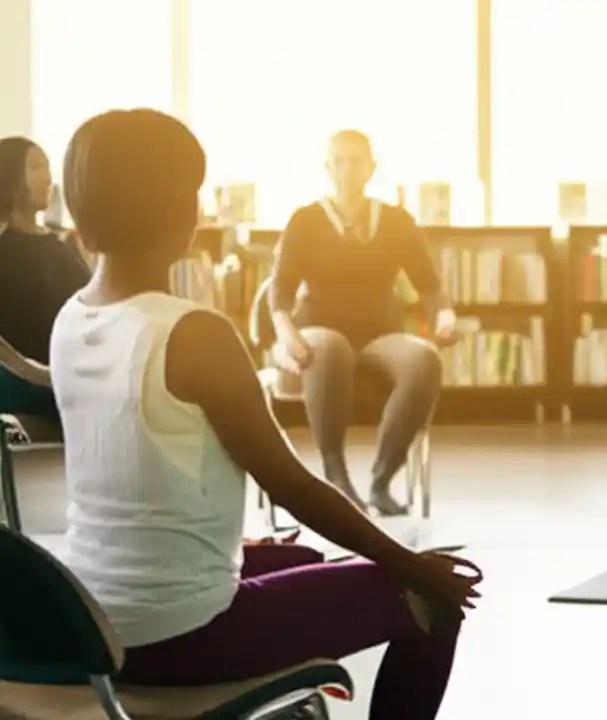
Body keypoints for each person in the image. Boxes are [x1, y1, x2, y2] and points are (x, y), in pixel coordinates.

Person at [49, 109, 481, 720]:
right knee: (432, 600)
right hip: (179, 635)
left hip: (88, 619)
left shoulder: (70, 319)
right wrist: (414, 564)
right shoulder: (193, 332)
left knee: (302, 561)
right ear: (180, 212)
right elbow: (290, 483)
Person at [270, 129, 457, 516]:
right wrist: (287, 337)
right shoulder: (305, 220)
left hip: (379, 332)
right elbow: (281, 294)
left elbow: (430, 285)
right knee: (332, 348)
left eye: (356, 161)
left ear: (371, 168)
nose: (347, 169)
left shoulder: (396, 220)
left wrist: (445, 315)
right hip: (317, 329)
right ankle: (336, 477)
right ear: (327, 168)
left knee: (423, 360)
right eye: (338, 161)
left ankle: (381, 481)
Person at [0, 135, 91, 417]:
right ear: (12, 176)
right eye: (37, 167)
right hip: (23, 394)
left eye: (48, 167)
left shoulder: (64, 246)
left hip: (72, 384)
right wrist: (30, 372)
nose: (47, 176)